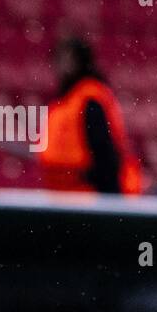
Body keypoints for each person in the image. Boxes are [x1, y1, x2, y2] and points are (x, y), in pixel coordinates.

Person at [40, 36, 143, 195]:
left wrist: (109, 202)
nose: (58, 66)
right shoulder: (69, 100)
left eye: (63, 59)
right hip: (68, 198)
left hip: (87, 199)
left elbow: (105, 157)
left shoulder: (89, 100)